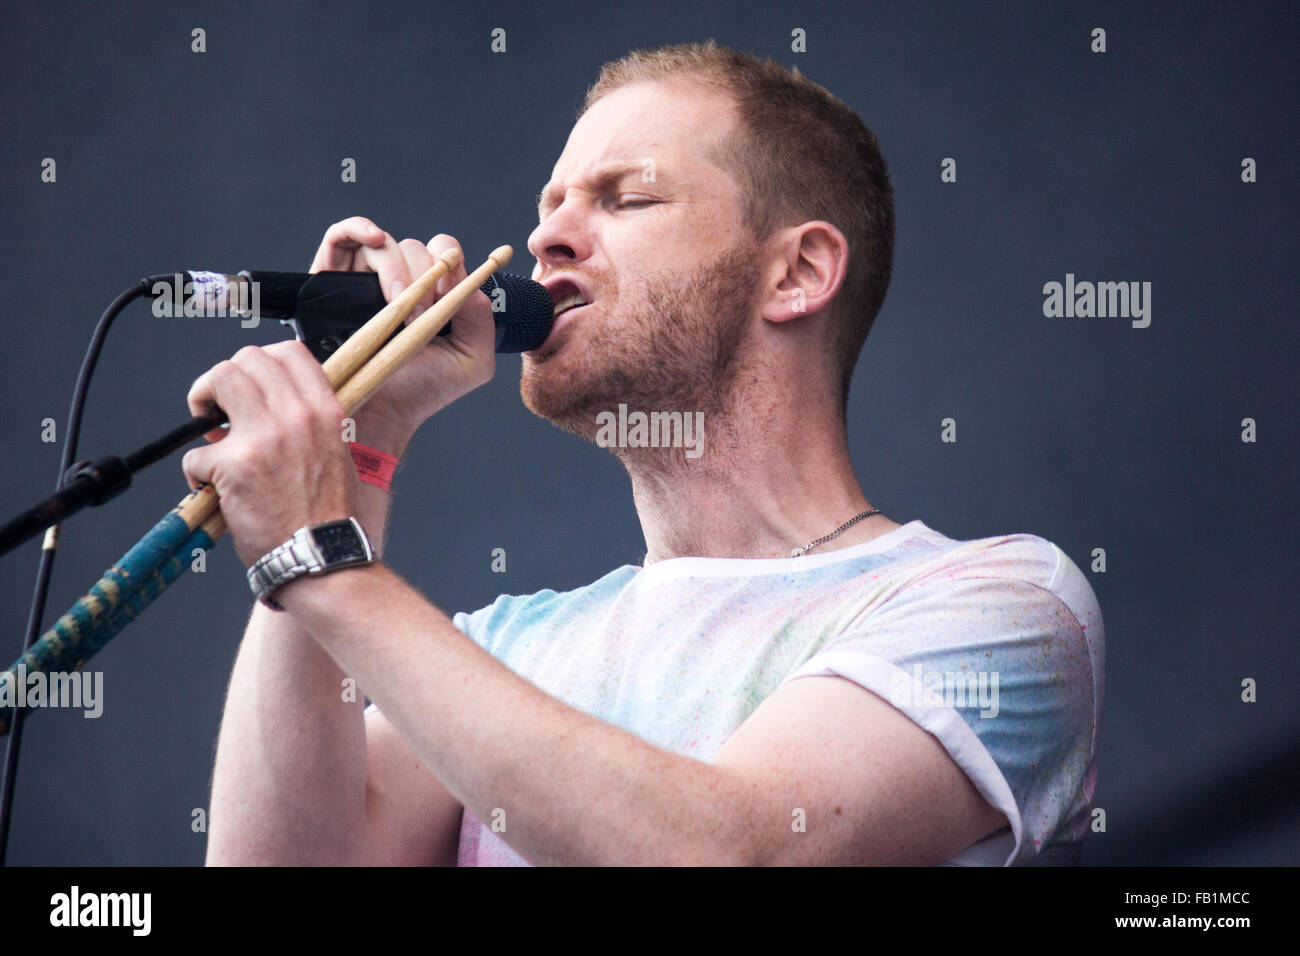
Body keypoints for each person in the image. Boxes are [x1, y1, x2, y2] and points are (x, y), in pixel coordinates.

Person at [192, 41, 1103, 866]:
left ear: (798, 272)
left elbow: (732, 853)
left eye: (627, 198)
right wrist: (356, 454)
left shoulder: (1002, 606)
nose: (547, 236)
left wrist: (323, 559)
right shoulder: (504, 653)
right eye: (548, 207)